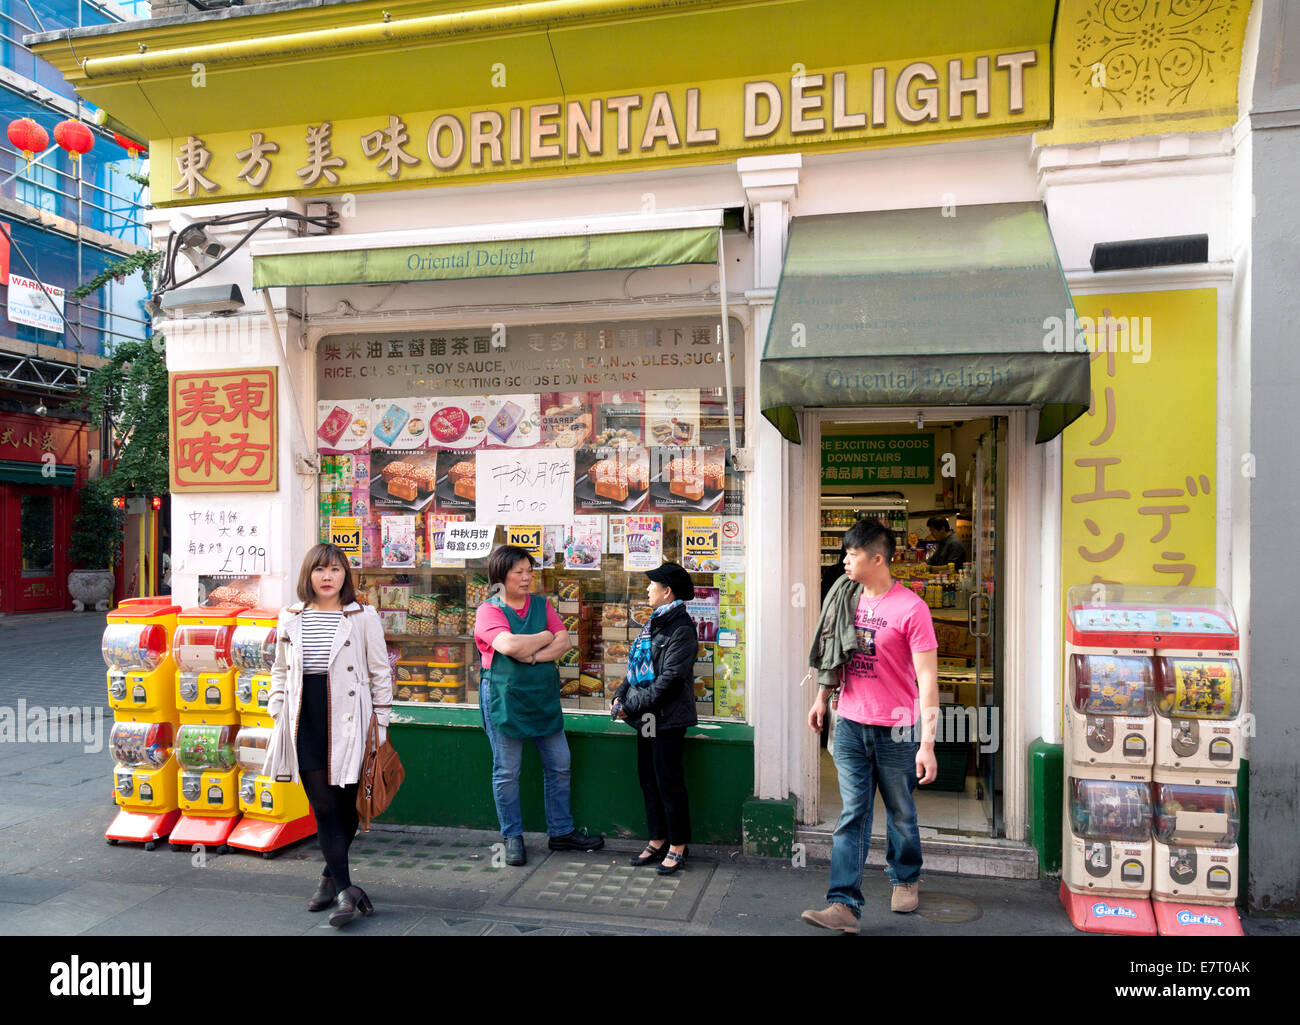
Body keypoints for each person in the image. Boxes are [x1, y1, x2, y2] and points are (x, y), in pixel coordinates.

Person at [802, 517, 940, 933]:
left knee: (901, 812)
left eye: (852, 554)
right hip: (849, 724)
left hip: (898, 728)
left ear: (877, 559)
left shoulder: (912, 608)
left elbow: (928, 678)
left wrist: (928, 743)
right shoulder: (845, 597)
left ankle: (905, 876)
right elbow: (832, 656)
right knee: (853, 814)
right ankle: (844, 904)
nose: (845, 561)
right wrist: (821, 699)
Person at [265, 542, 392, 927]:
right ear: (309, 575)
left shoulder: (362, 616)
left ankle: (329, 879)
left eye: (335, 570)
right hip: (306, 716)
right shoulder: (290, 616)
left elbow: (380, 670)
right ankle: (346, 892)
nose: (327, 577)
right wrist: (276, 706)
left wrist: (382, 722)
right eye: (320, 569)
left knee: (347, 806)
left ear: (345, 576)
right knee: (322, 807)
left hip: (350, 717)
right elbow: (280, 668)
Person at [474, 544, 604, 866]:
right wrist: (545, 635)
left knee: (560, 763)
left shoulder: (541, 604)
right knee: (507, 771)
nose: (526, 577)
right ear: (501, 576)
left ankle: (561, 832)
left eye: (529, 571)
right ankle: (511, 837)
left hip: (541, 695)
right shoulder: (488, 611)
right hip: (504, 695)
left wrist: (530, 653)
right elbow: (507, 644)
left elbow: (565, 642)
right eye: (518, 572)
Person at [612, 561, 699, 875]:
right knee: (648, 780)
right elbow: (635, 669)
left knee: (669, 783)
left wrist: (631, 706)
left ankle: (678, 845)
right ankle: (658, 838)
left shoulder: (681, 629)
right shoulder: (654, 623)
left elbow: (671, 680)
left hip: (667, 719)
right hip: (645, 718)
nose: (647, 589)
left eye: (652, 585)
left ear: (667, 591)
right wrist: (620, 696)